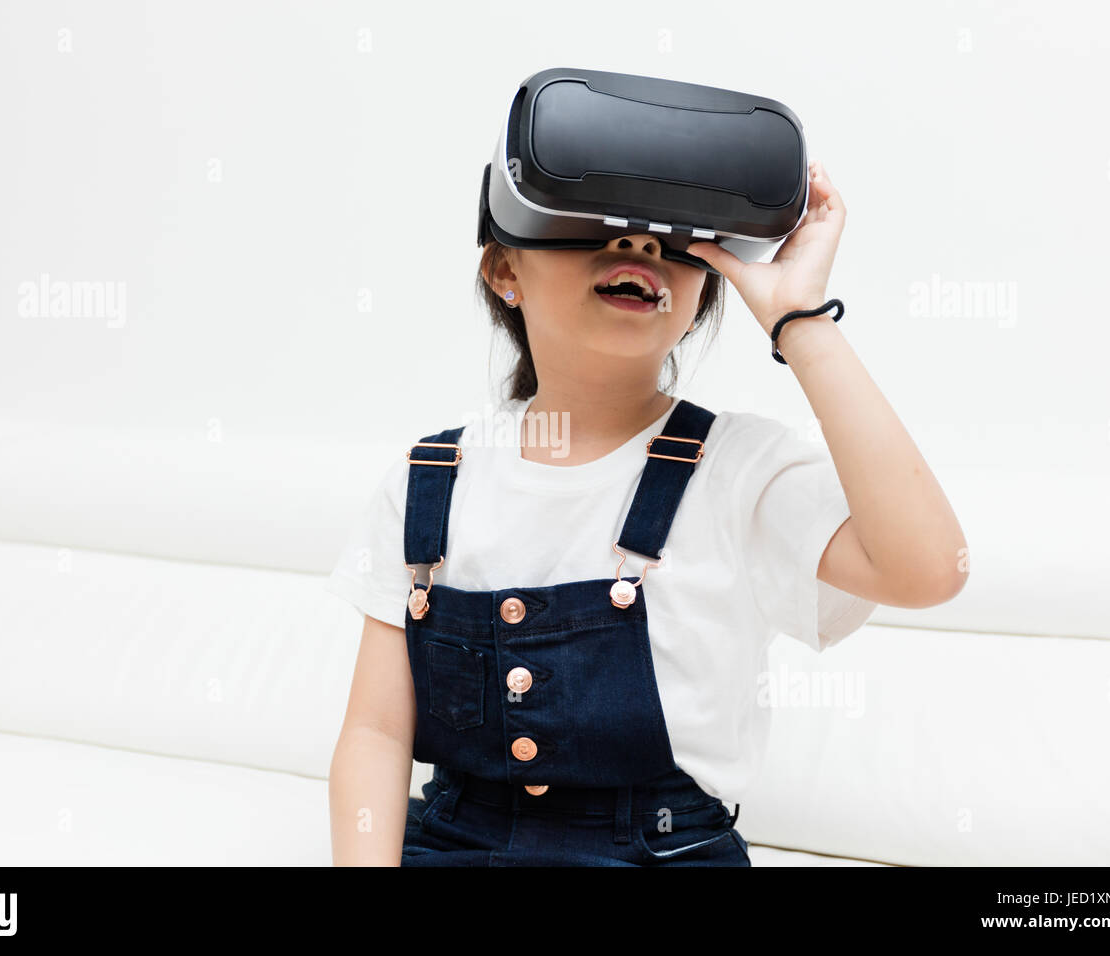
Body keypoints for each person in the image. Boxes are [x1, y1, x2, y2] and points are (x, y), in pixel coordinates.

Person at [326, 159, 969, 866]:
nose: (638, 245)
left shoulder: (739, 471)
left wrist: (800, 318)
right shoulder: (430, 482)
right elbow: (377, 735)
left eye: (672, 235)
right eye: (593, 222)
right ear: (505, 268)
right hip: (452, 844)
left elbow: (928, 571)